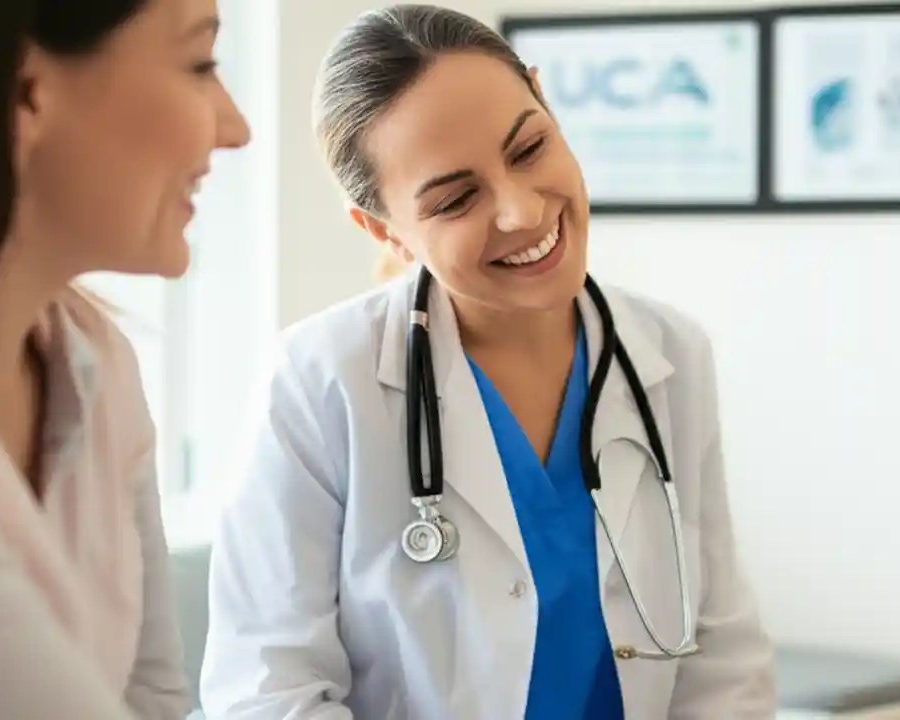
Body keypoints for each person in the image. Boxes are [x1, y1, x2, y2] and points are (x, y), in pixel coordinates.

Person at [200, 4, 775, 719]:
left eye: (529, 147)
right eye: (457, 198)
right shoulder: (321, 382)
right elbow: (268, 692)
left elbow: (721, 661)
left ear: (546, 102)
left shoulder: (670, 355)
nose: (521, 211)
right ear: (384, 229)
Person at [0, 0, 249, 717]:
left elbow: (154, 698)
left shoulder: (97, 364)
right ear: (25, 92)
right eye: (199, 63)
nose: (235, 127)